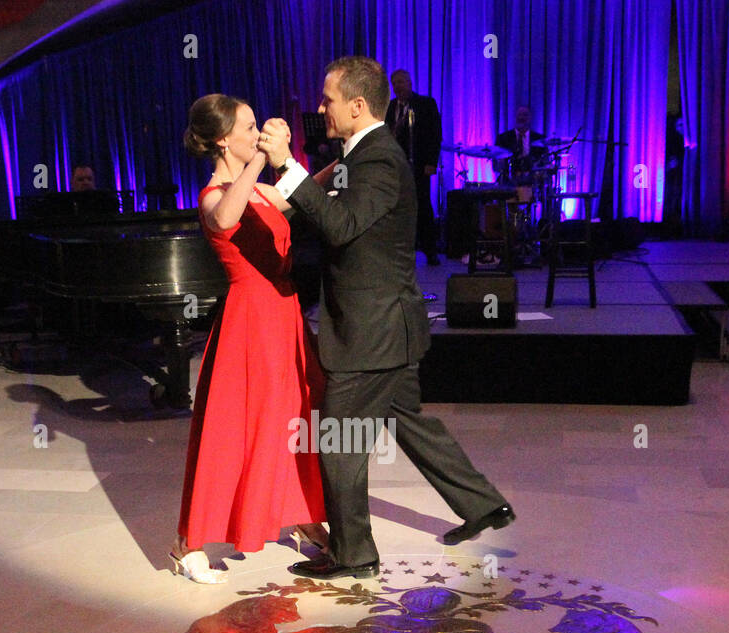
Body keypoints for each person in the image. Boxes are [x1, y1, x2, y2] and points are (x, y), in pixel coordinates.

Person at [260, 56, 514, 581]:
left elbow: (341, 225)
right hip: (386, 329)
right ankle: (485, 505)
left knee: (338, 443)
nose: (320, 108)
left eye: (328, 99)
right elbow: (329, 217)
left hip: (371, 332)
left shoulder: (377, 159)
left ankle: (355, 555)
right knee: (410, 423)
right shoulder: (361, 153)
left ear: (357, 105)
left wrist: (289, 167)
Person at [170, 94, 330, 584]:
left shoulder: (260, 188)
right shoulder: (215, 194)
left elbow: (299, 195)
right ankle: (190, 541)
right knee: (236, 431)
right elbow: (226, 217)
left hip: (285, 315)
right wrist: (263, 156)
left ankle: (303, 516)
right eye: (249, 127)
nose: (256, 132)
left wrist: (340, 158)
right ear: (223, 139)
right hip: (250, 324)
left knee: (299, 419)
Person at [384, 69, 442, 265]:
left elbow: (435, 135)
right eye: (395, 83)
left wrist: (431, 163)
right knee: (397, 207)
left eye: (402, 82)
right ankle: (400, 250)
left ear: (410, 83)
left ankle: (430, 250)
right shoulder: (390, 108)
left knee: (423, 205)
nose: (399, 86)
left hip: (419, 165)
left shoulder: (426, 104)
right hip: (397, 167)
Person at [494, 105, 547, 184]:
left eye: (525, 115)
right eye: (519, 115)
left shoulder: (539, 139)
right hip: (509, 180)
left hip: (533, 181)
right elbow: (496, 164)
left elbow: (544, 163)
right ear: (515, 117)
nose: (521, 118)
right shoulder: (503, 138)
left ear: (530, 118)